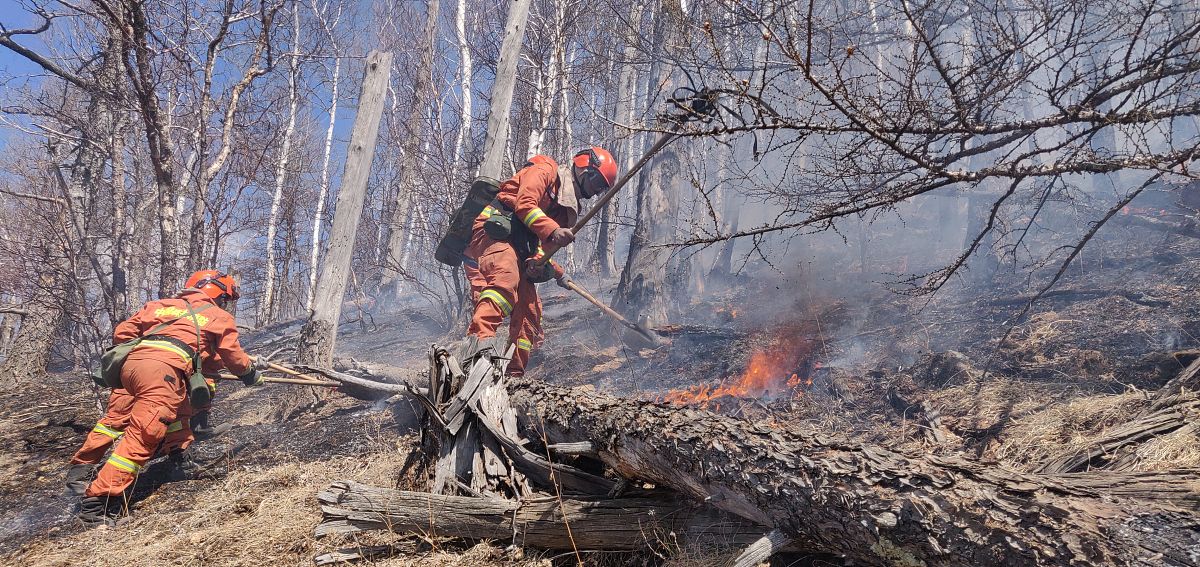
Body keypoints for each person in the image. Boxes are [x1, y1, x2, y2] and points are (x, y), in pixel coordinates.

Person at [68, 270, 266, 525]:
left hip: (131, 367)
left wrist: (147, 354)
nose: (224, 303)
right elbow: (232, 355)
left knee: (116, 421)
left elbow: (124, 332)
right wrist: (250, 375)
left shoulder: (160, 305)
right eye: (225, 298)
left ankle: (79, 473)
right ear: (216, 292)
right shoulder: (218, 316)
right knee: (143, 436)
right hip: (163, 373)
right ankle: (98, 504)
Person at [462, 147, 618, 375]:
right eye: (598, 185)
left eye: (602, 190)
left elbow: (542, 250)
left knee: (530, 311)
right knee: (505, 279)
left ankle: (513, 375)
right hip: (494, 233)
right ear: (586, 170)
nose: (596, 193)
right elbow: (525, 205)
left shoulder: (566, 210)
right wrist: (554, 230)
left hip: (521, 248)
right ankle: (477, 349)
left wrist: (537, 263)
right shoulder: (545, 170)